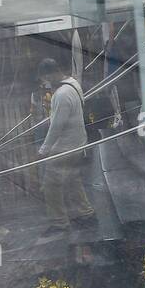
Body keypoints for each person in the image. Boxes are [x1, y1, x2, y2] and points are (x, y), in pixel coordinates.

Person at [36, 57, 95, 235]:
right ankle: (86, 213)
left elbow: (56, 127)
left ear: (50, 74)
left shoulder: (61, 95)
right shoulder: (73, 83)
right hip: (77, 143)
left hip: (64, 148)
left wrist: (43, 150)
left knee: (50, 185)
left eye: (45, 78)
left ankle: (59, 222)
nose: (45, 83)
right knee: (73, 179)